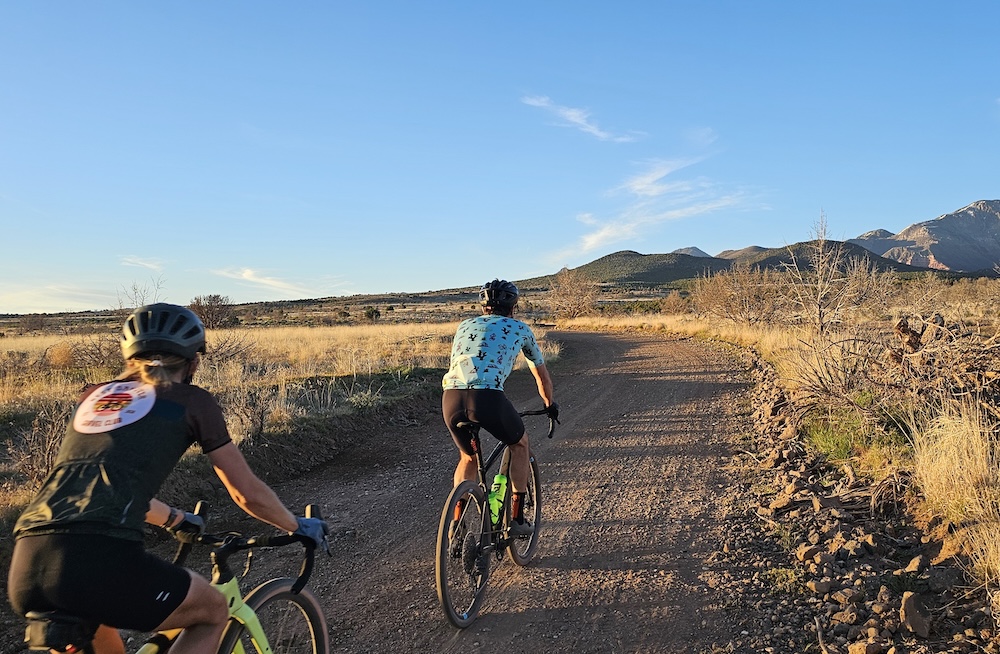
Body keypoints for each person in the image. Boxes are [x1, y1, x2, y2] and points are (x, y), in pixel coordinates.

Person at [7, 303, 329, 654]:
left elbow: (103, 482)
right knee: (213, 611)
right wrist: (296, 525)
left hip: (28, 561)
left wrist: (175, 519)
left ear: (130, 357)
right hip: (99, 560)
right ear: (193, 361)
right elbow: (246, 493)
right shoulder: (192, 403)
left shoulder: (95, 398)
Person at [442, 279, 558, 536]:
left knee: (468, 457)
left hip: (451, 398)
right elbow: (542, 377)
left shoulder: (465, 325)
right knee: (520, 444)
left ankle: (456, 524)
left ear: (483, 306)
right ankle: (516, 518)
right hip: (487, 398)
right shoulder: (520, 328)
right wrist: (549, 405)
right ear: (513, 306)